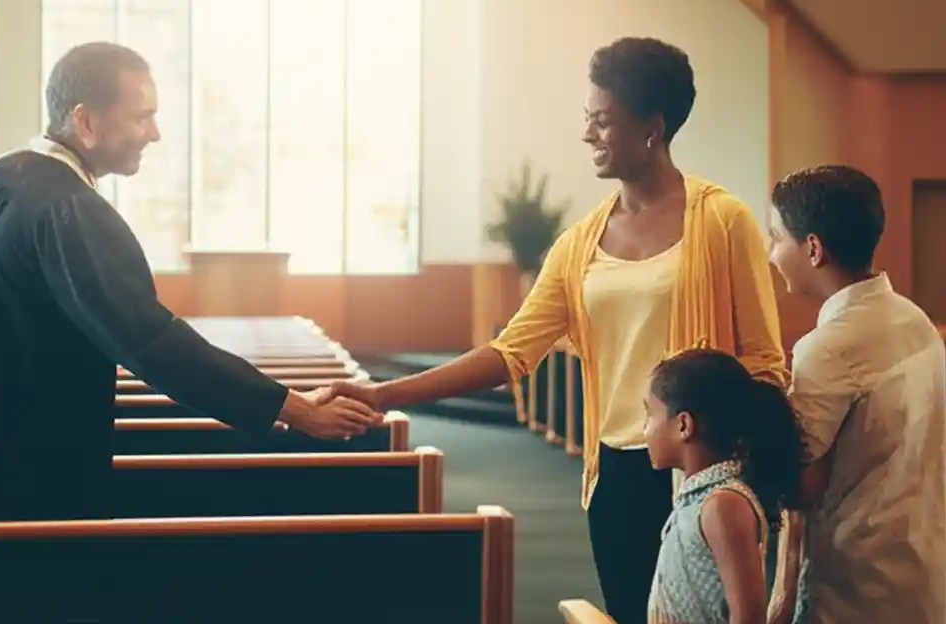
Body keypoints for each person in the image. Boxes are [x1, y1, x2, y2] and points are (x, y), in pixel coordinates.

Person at [331, 37, 787, 623]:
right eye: (587, 119)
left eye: (601, 120)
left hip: (707, 476)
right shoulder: (580, 243)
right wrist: (382, 394)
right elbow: (509, 352)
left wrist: (754, 477)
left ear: (652, 127)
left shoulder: (723, 220)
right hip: (621, 474)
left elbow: (765, 363)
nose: (588, 134)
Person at [0, 42, 377, 524]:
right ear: (85, 120)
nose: (154, 133)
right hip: (1, 485)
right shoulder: (67, 207)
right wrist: (292, 408)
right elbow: (150, 341)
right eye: (142, 116)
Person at [764, 165, 946, 624]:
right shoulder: (916, 321)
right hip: (920, 567)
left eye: (776, 238)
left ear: (813, 249)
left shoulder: (826, 348)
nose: (771, 255)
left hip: (855, 582)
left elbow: (802, 485)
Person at [643, 348, 806, 624]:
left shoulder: (723, 504)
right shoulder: (697, 499)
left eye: (649, 414)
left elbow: (749, 618)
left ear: (684, 425)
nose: (643, 429)